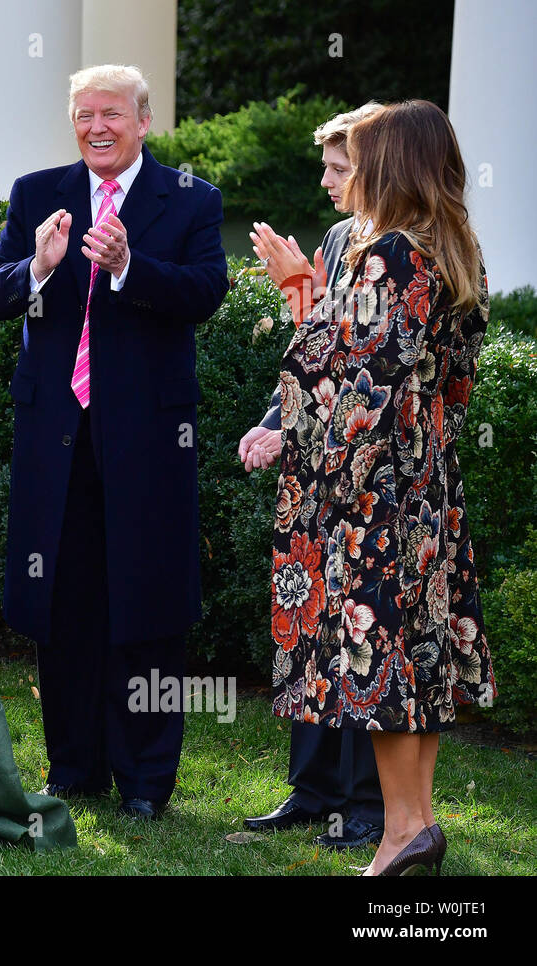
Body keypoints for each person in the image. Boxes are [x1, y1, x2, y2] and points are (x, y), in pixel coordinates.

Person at [0, 65, 228, 818]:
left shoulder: (188, 198)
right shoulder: (35, 193)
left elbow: (205, 291)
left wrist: (128, 268)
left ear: (143, 121)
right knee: (65, 600)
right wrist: (38, 267)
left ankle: (147, 781)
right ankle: (73, 768)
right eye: (84, 114)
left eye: (112, 114)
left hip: (149, 439)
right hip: (58, 436)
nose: (96, 127)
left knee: (145, 600)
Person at [257, 99, 494, 875]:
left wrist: (299, 296)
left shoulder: (389, 253)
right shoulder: (455, 248)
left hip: (373, 492)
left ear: (390, 163)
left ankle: (398, 832)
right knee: (418, 652)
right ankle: (417, 823)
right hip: (425, 482)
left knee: (380, 658)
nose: (344, 174)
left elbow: (351, 378)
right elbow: (448, 382)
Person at [238, 103, 387, 850]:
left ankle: (368, 803)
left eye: (339, 168)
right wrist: (273, 422)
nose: (326, 181)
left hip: (373, 473)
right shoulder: (336, 237)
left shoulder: (413, 245)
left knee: (363, 631)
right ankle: (312, 789)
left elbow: (367, 362)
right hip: (313, 467)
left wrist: (300, 296)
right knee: (308, 620)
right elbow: (312, 348)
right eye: (325, 166)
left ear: (381, 165)